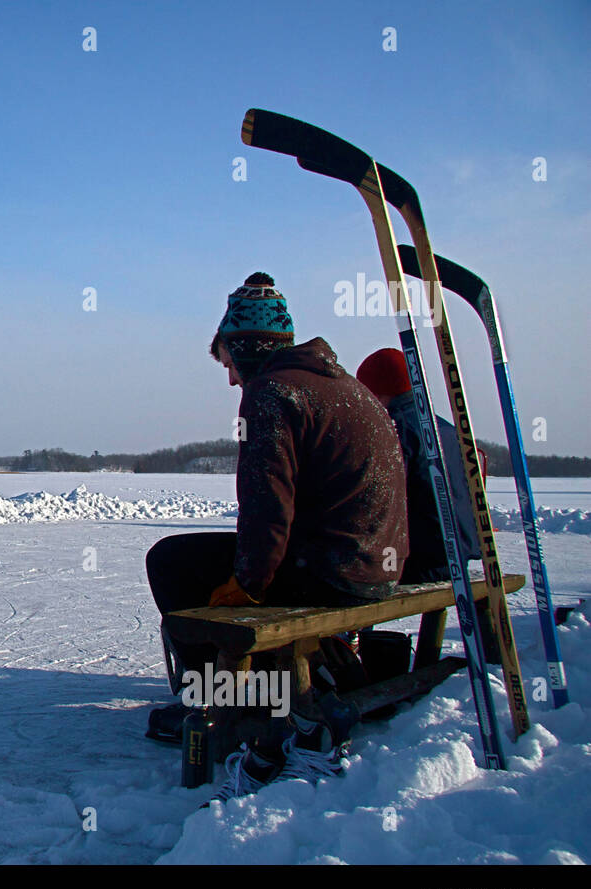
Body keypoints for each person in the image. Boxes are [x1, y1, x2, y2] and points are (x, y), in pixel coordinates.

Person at [145, 273, 409, 800]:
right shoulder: (343, 385)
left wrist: (249, 581)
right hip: (375, 566)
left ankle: (223, 702)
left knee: (172, 561)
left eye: (226, 363)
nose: (230, 381)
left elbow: (267, 508)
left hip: (333, 570)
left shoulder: (272, 391)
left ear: (244, 350)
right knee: (219, 563)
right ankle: (279, 681)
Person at [355, 347, 499, 663]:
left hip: (421, 559)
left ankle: (345, 663)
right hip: (456, 554)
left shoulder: (392, 430)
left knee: (338, 581)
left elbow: (375, 501)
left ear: (378, 392)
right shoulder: (445, 427)